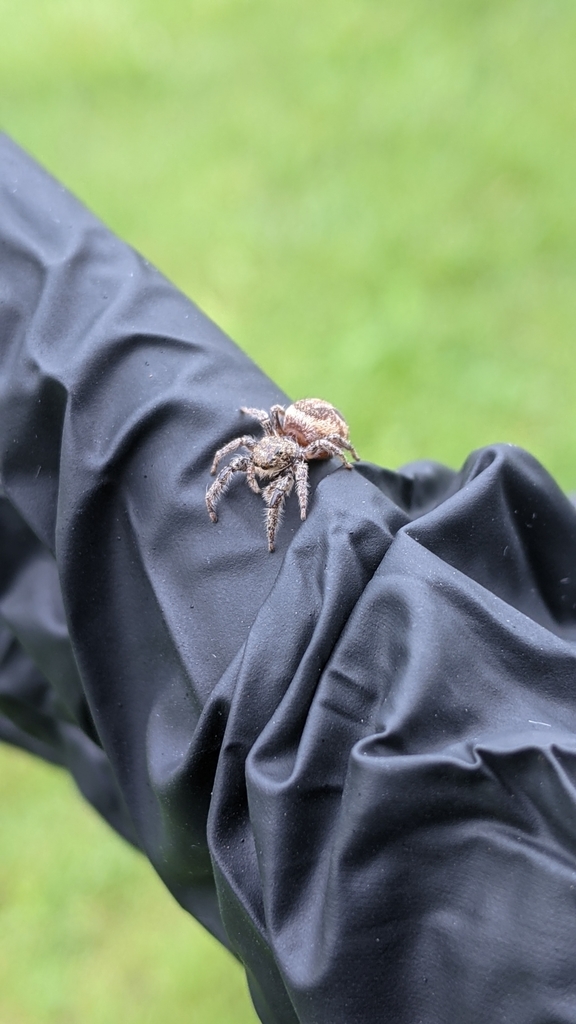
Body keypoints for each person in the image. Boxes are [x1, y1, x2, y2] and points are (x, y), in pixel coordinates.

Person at [2, 132, 576, 1024]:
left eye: (279, 460)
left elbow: (300, 467)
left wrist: (312, 461)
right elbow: (248, 442)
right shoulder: (261, 445)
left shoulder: (304, 468)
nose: (266, 470)